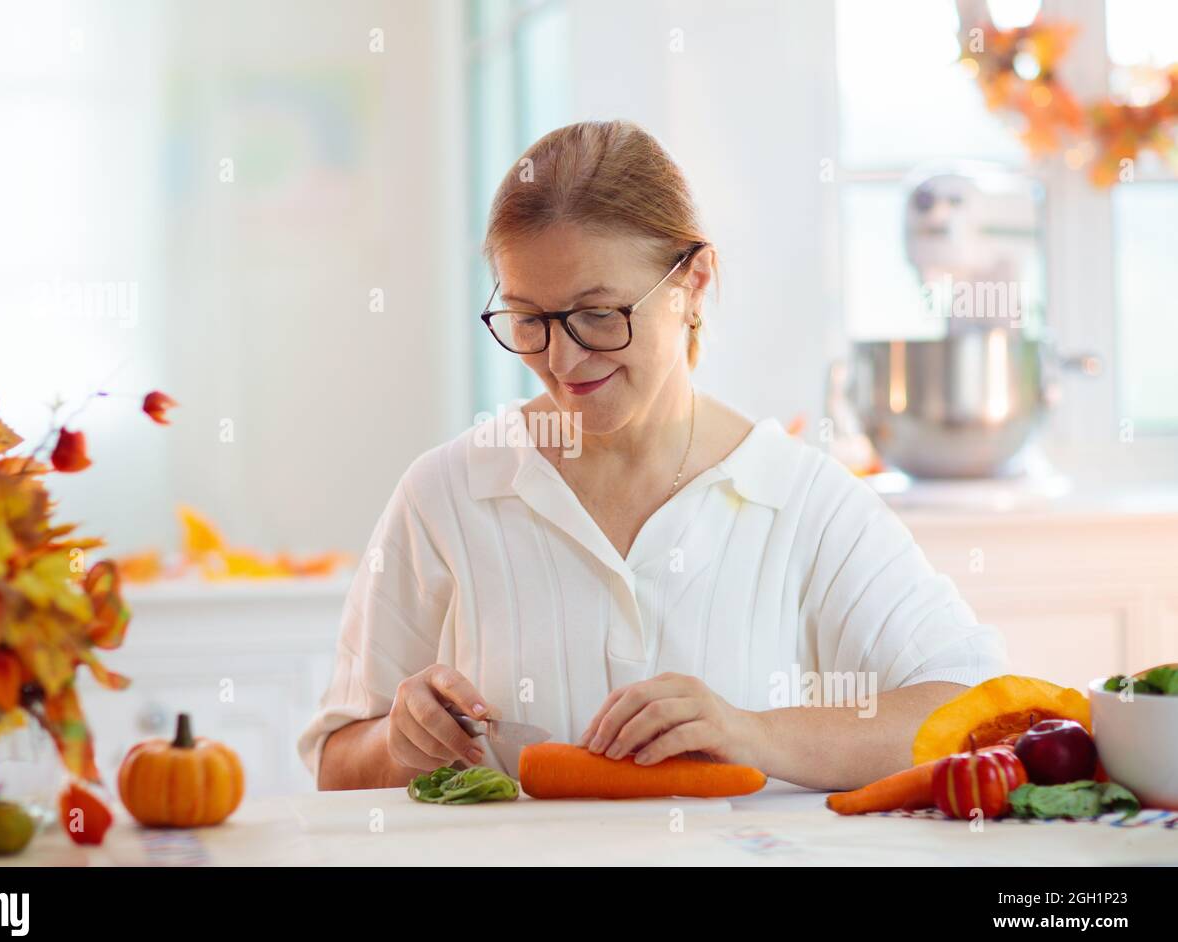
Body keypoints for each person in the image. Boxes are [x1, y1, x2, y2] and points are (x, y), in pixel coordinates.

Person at [300, 119, 1006, 792]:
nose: (563, 357)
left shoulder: (800, 500)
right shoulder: (445, 494)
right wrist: (400, 740)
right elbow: (337, 762)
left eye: (599, 313)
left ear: (692, 285)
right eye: (528, 320)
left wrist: (754, 734)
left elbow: (972, 713)